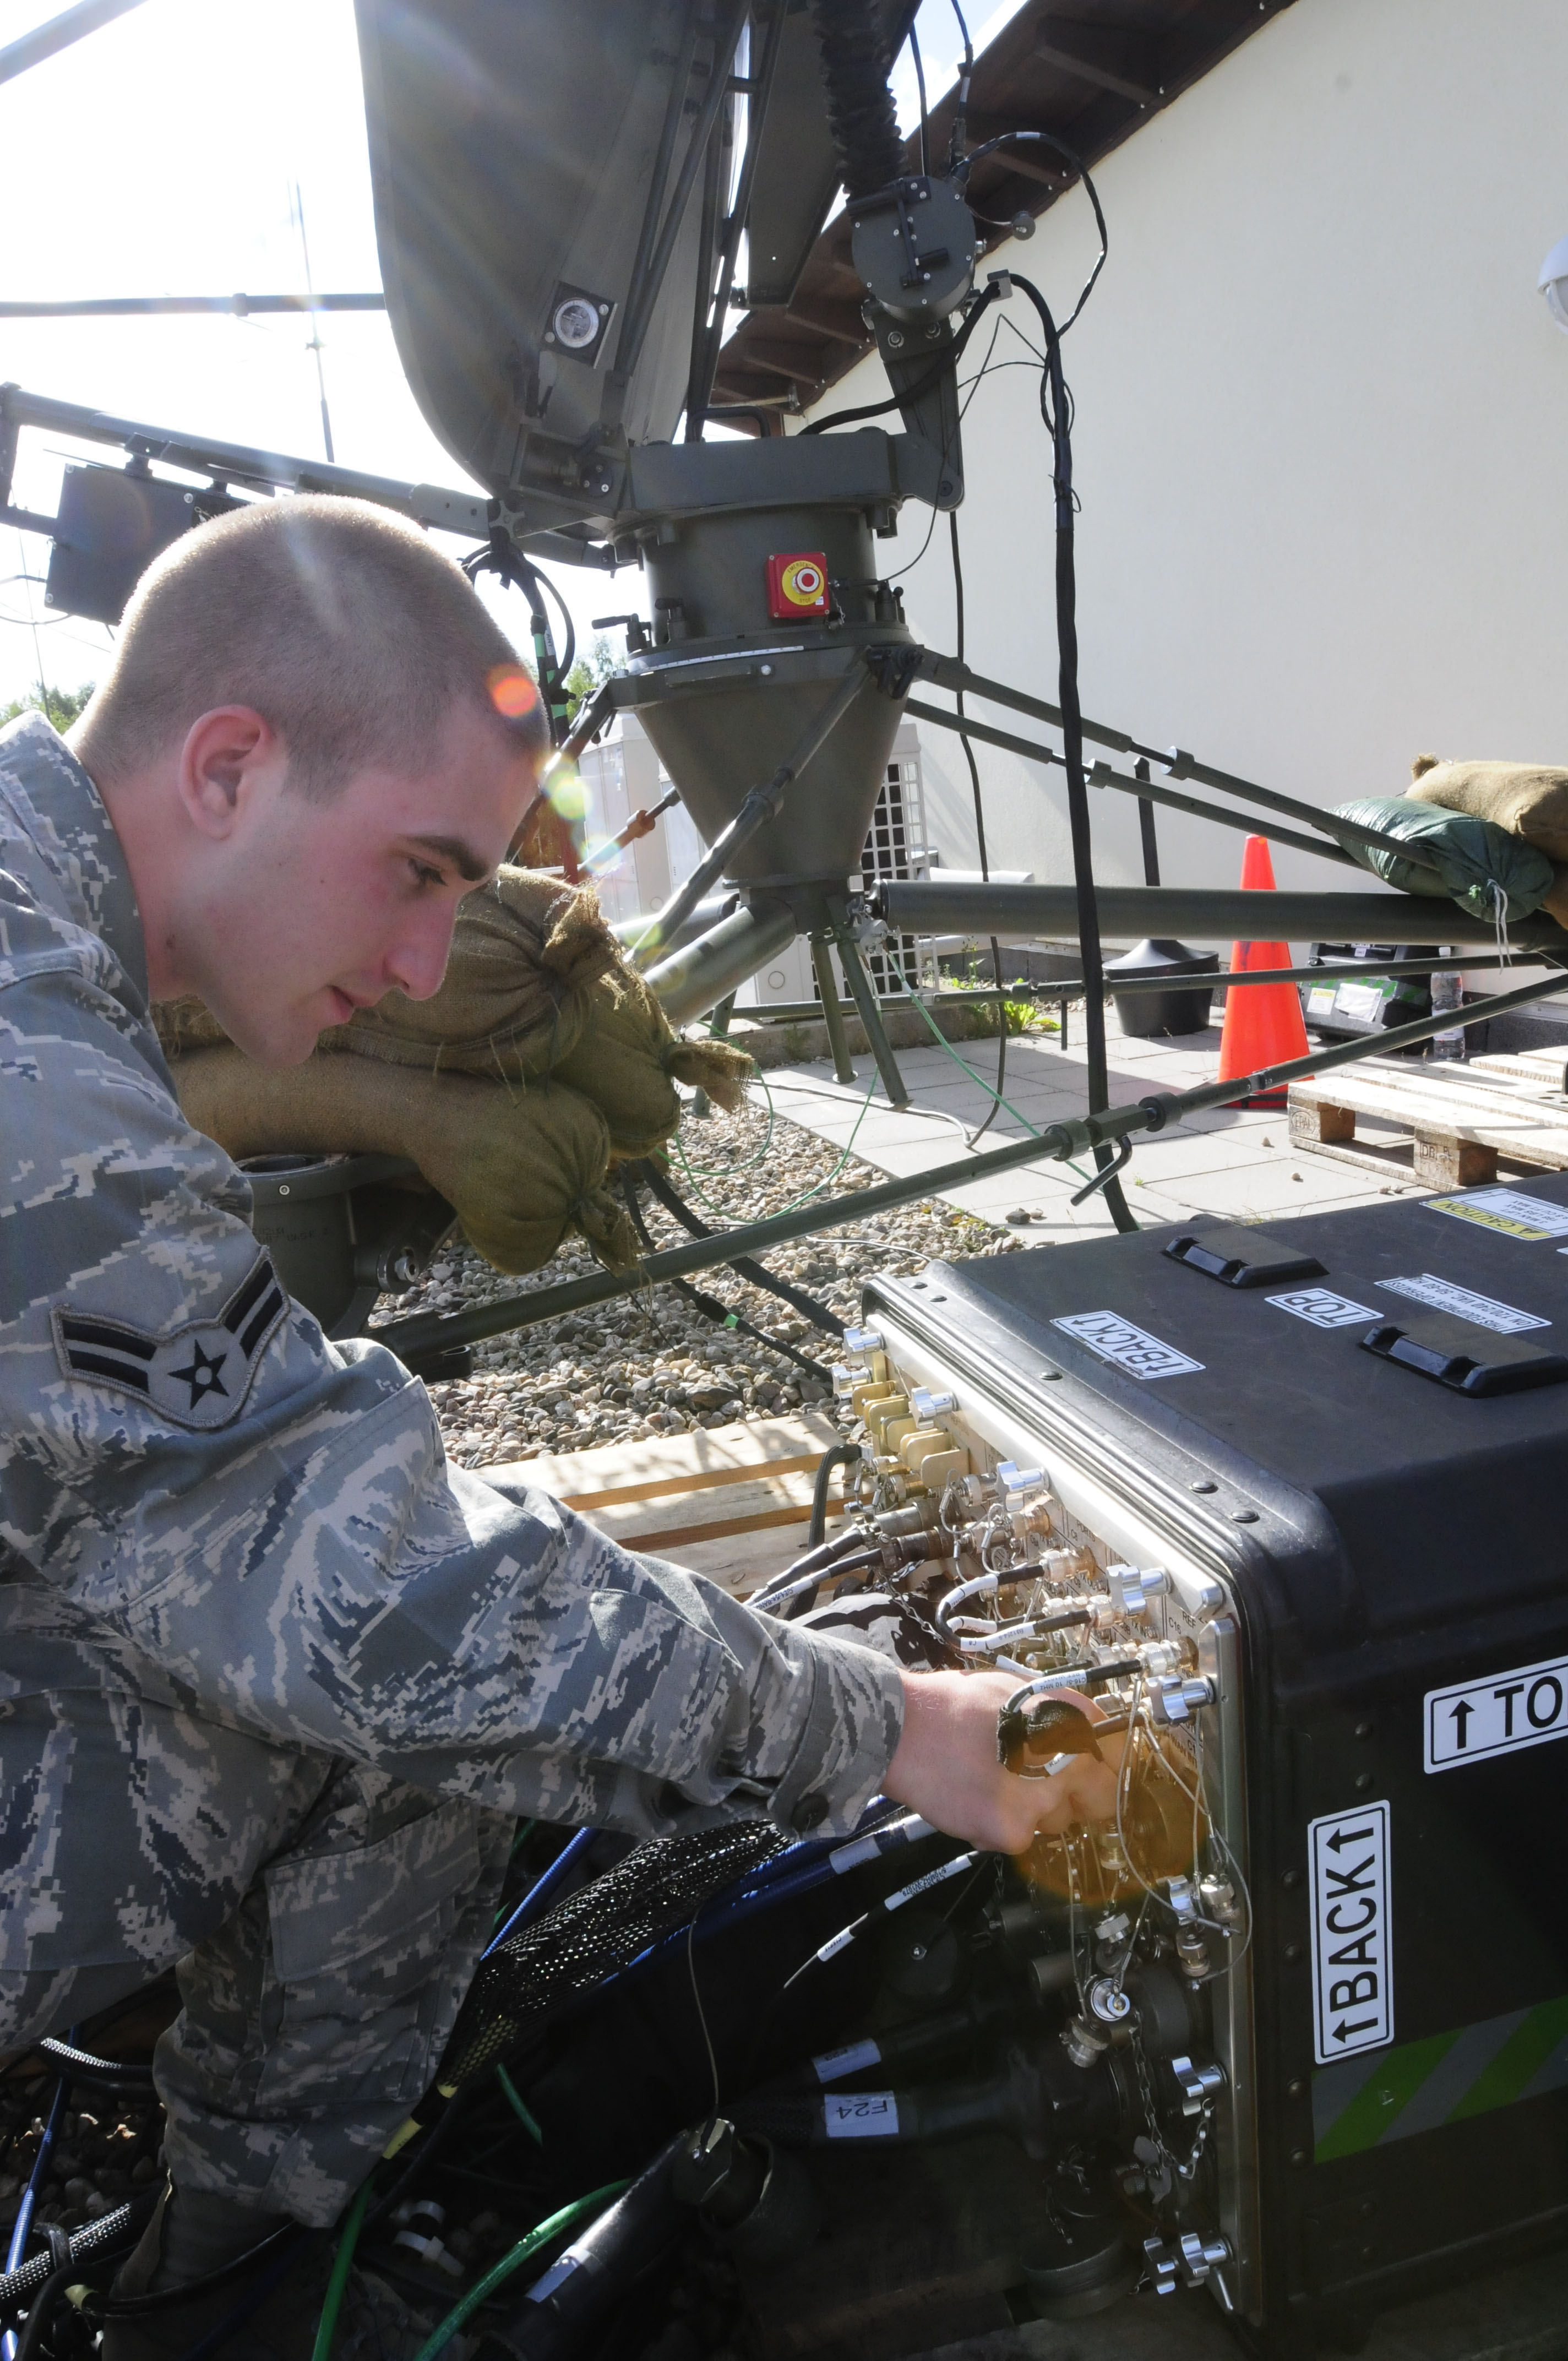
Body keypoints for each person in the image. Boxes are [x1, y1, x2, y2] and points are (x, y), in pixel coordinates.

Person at [0, 497, 1119, 2355]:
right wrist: (895, 1728)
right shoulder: (33, 1070)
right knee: (414, 1689)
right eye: (424, 871)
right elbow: (366, 1595)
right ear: (227, 767)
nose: (435, 970)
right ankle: (261, 2298)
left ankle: (256, 2261)